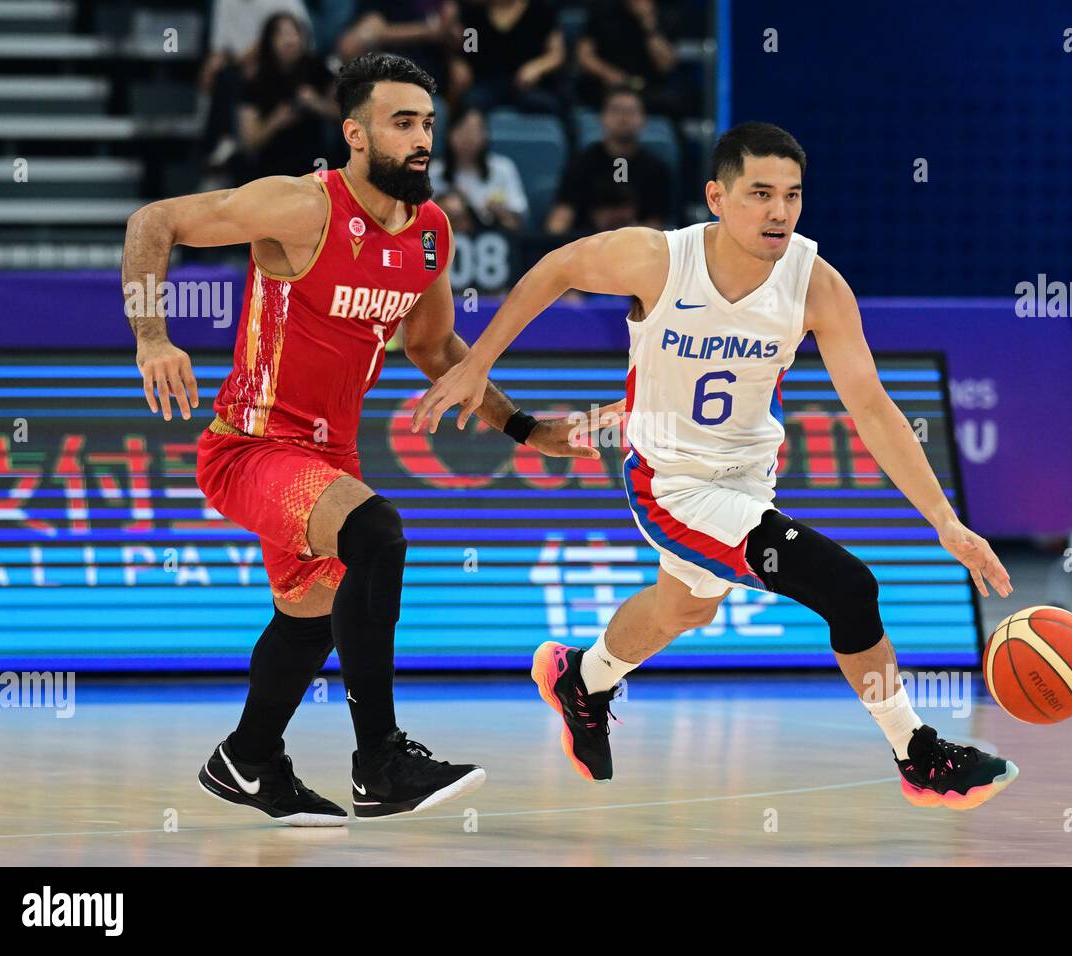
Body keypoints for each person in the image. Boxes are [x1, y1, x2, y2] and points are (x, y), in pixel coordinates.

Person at [412, 122, 1021, 811]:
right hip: (672, 485)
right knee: (849, 586)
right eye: (759, 193)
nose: (778, 211)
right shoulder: (657, 260)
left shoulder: (816, 284)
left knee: (685, 607)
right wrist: (479, 364)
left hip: (749, 477)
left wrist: (945, 521)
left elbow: (874, 409)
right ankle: (917, 752)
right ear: (717, 197)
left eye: (791, 195)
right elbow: (556, 268)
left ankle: (583, 677)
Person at [124, 53, 612, 826]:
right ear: (355, 134)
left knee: (312, 616)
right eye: (402, 123)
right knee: (376, 536)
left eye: (428, 122)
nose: (423, 139)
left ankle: (248, 761)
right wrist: (153, 336)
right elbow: (154, 221)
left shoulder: (429, 232)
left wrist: (522, 426)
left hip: (328, 457)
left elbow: (435, 349)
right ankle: (378, 761)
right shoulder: (301, 207)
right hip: (250, 445)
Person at [545, 87, 671, 235]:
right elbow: (561, 218)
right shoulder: (581, 164)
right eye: (616, 110)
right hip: (587, 245)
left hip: (635, 247)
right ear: (602, 117)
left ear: (644, 119)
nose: (623, 118)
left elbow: (656, 226)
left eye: (630, 111)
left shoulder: (656, 169)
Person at [237, 13, 341, 181]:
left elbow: (346, 114)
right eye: (282, 34)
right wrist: (275, 122)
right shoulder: (256, 81)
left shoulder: (318, 68)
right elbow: (250, 141)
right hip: (273, 163)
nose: (290, 40)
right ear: (269, 41)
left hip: (316, 160)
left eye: (294, 33)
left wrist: (316, 103)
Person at [451, 0, 564, 114]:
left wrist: (537, 67)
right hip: (486, 85)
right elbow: (467, 52)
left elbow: (556, 55)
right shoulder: (475, 14)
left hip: (529, 86)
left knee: (546, 104)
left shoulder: (540, 11)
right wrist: (460, 64)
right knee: (471, 104)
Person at [430, 104, 529, 233]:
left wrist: (498, 211)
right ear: (449, 133)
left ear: (485, 135)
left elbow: (518, 221)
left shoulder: (503, 168)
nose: (468, 137)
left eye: (474, 131)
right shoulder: (434, 171)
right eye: (462, 129)